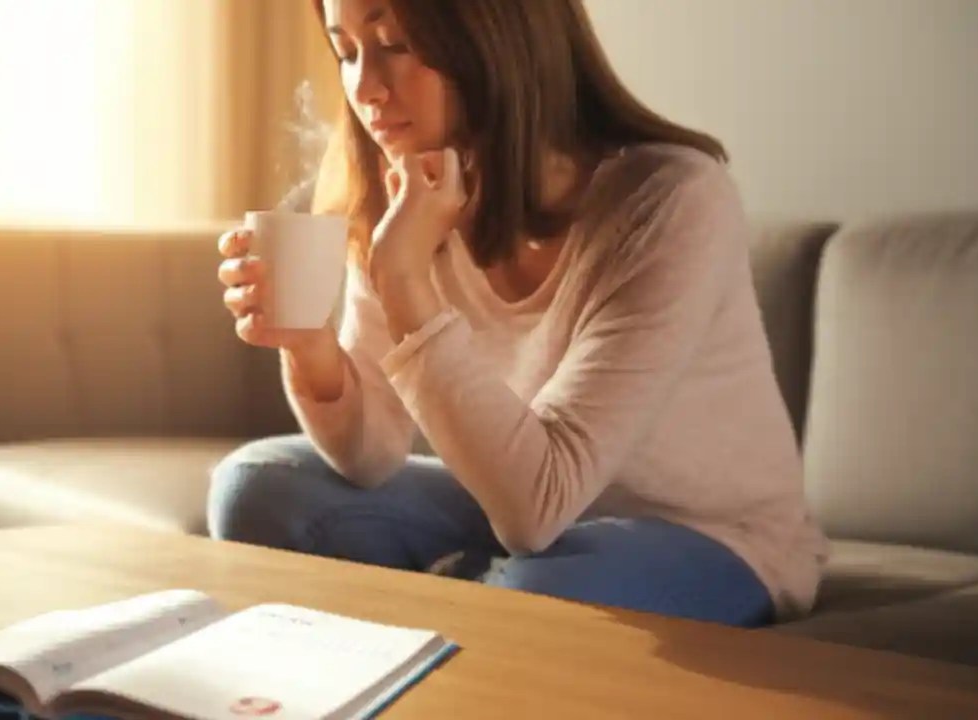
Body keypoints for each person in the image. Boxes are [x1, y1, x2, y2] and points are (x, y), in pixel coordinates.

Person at [209, 0, 827, 627]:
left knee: (537, 591)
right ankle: (465, 600)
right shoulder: (408, 189)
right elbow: (373, 458)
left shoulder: (673, 200)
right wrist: (311, 350)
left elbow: (538, 505)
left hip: (706, 533)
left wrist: (404, 279)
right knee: (260, 485)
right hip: (515, 502)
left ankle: (454, 604)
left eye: (394, 43)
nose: (365, 87)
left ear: (494, 38)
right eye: (346, 51)